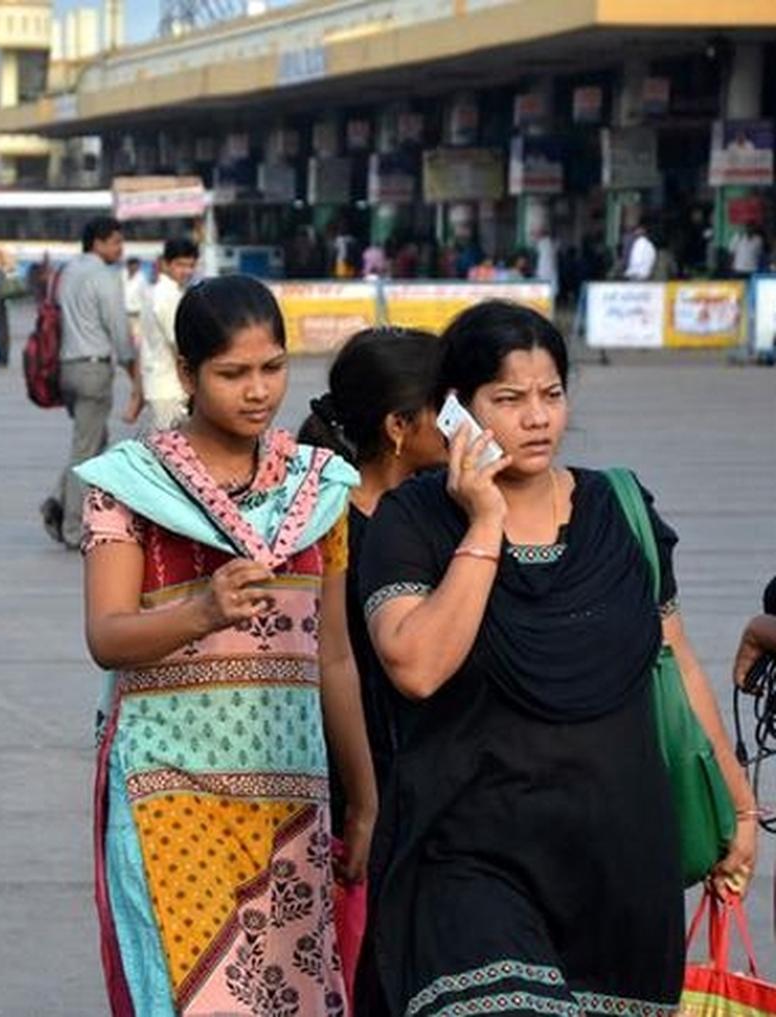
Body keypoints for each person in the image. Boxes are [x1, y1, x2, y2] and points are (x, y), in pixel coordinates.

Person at [354, 301, 756, 1017]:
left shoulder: (620, 509)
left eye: (552, 394)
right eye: (509, 398)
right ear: (455, 412)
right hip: (469, 857)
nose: (537, 417)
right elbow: (416, 667)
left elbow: (678, 664)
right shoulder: (411, 520)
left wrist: (739, 807)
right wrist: (484, 522)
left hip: (619, 867)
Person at [77, 274, 376, 1017]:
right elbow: (107, 634)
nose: (258, 390)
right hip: (171, 792)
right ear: (187, 374)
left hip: (289, 797)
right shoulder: (131, 486)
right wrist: (203, 610)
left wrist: (365, 796)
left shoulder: (318, 490)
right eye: (232, 372)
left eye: (272, 367)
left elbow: (334, 656)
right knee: (188, 998)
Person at [297, 328, 445, 831]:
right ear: (398, 425)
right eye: (445, 407)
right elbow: (333, 660)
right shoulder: (325, 521)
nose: (463, 420)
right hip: (360, 762)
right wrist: (364, 801)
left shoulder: (452, 500)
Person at [39, 217, 141, 550]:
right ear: (98, 243)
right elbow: (118, 328)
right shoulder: (104, 276)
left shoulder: (66, 272)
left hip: (66, 367)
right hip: (93, 368)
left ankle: (58, 500)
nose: (120, 249)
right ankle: (71, 527)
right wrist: (133, 370)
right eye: (116, 242)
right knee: (86, 450)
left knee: (94, 441)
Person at [139, 238, 198, 430]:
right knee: (172, 444)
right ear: (165, 264)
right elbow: (180, 344)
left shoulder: (155, 292)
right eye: (180, 265)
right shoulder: (169, 296)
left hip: (159, 383)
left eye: (191, 265)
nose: (186, 271)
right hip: (170, 387)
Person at [123, 256, 149, 348]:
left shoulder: (141, 279)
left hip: (136, 314)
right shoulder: (122, 276)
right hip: (123, 313)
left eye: (136, 266)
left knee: (136, 340)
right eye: (132, 265)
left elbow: (146, 297)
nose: (134, 268)